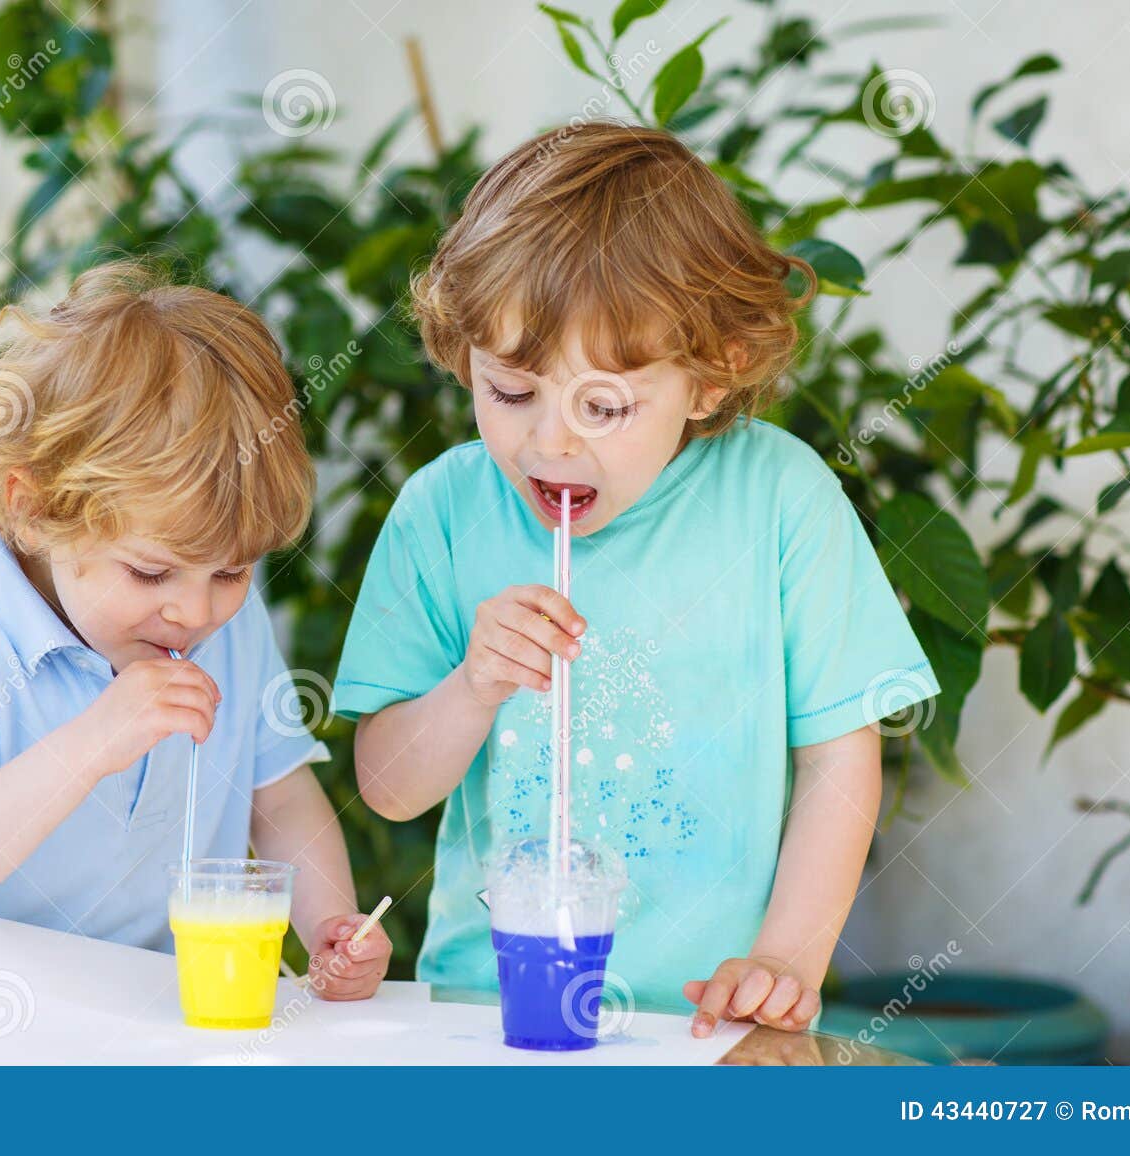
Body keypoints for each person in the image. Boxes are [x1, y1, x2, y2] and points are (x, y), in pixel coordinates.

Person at [335, 123, 938, 1033]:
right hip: (488, 1012)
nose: (549, 442)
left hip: (705, 1021)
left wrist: (786, 958)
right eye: (508, 392)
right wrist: (473, 686)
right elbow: (388, 788)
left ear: (712, 377)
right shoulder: (444, 511)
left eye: (605, 406)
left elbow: (837, 761)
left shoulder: (780, 499)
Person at [0, 260, 389, 999]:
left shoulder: (228, 628)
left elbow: (281, 796)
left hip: (137, 1025)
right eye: (150, 573)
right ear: (33, 509)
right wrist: (93, 743)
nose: (195, 614)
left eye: (231, 574)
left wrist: (329, 919)